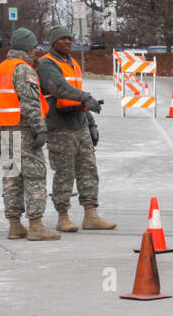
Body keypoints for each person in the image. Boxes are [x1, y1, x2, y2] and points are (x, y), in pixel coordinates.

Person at [37, 25, 116, 233]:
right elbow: (60, 88)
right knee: (64, 172)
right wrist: (85, 98)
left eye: (69, 38)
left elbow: (77, 92)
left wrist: (90, 122)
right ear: (52, 41)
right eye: (62, 38)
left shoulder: (71, 63)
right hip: (60, 127)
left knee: (88, 169)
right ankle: (63, 216)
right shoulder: (46, 64)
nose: (67, 42)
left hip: (79, 125)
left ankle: (91, 215)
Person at [0, 27, 58, 241]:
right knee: (35, 175)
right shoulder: (24, 69)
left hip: (6, 131)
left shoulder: (1, 68)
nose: (36, 51)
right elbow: (30, 103)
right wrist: (40, 128)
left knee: (12, 177)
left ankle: (14, 225)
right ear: (29, 48)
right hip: (24, 131)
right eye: (34, 47)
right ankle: (36, 226)